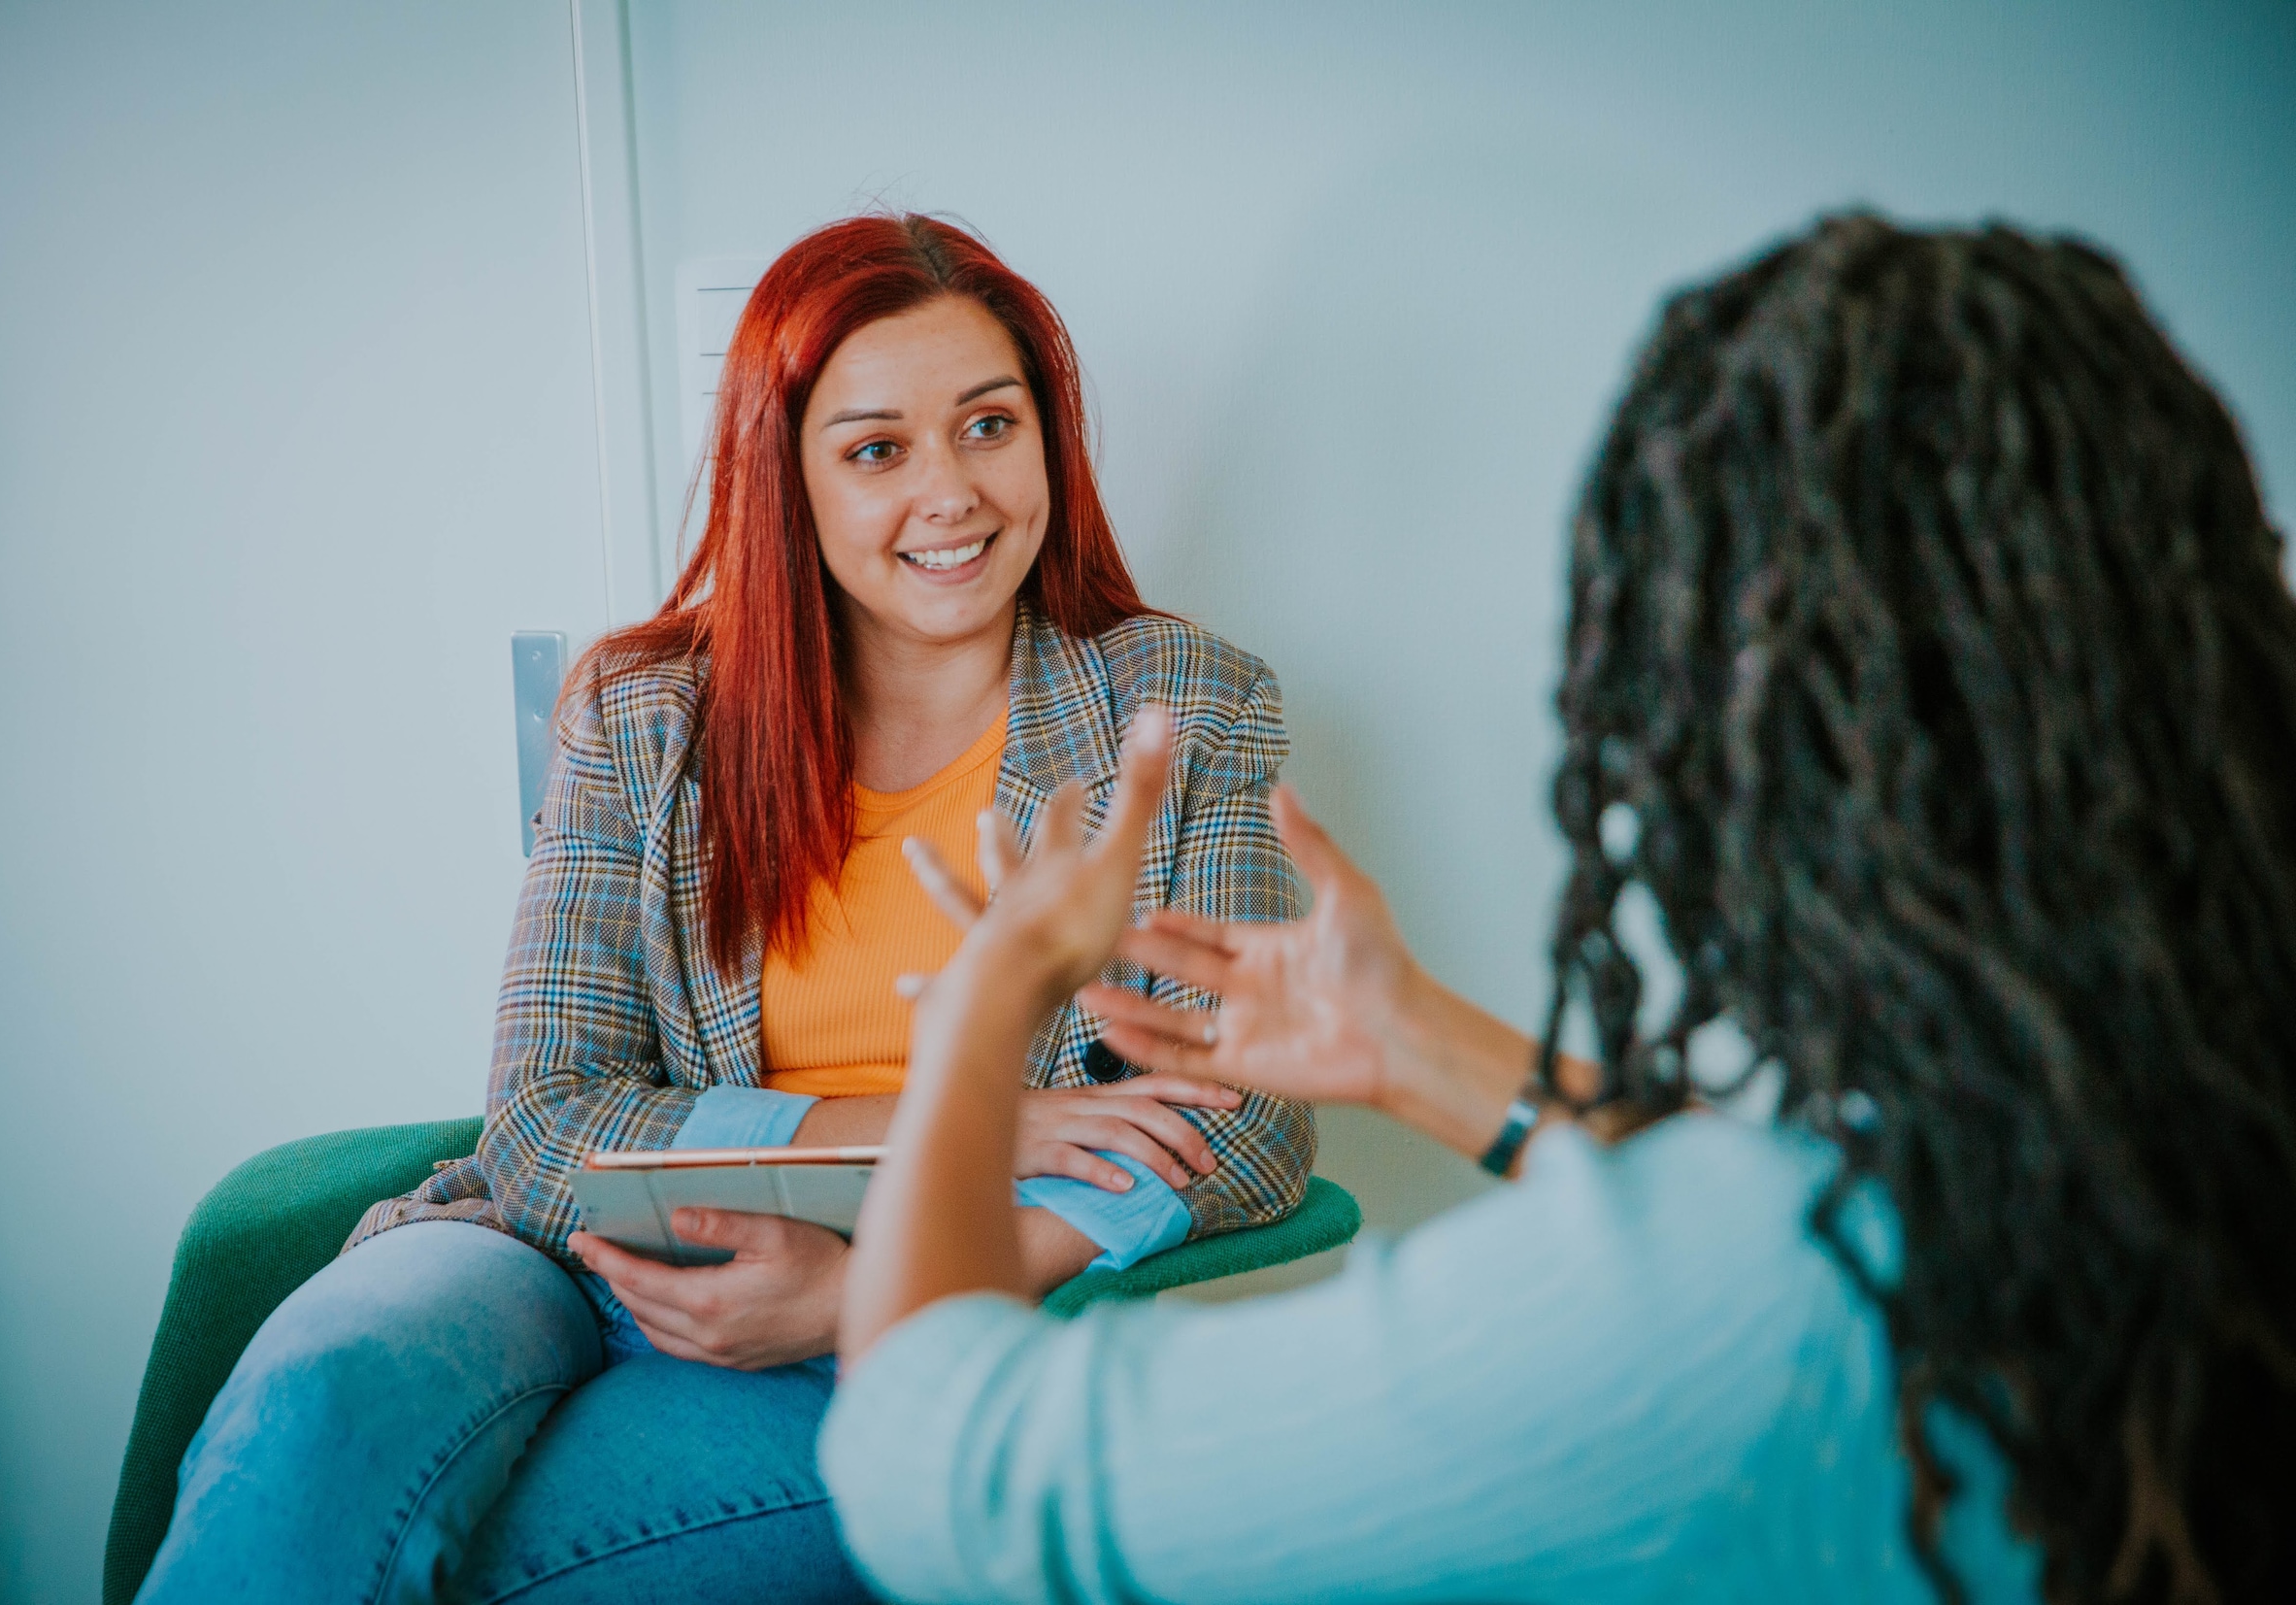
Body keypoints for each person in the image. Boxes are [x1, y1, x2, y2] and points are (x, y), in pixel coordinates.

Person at [821, 216, 2296, 1603]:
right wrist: (1420, 1048)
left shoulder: (1752, 1298)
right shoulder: (2165, 1147)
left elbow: (929, 1472)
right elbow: (1821, 1209)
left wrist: (984, 1002)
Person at [138, 214, 1314, 1604]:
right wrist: (970, 1118)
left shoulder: (1181, 708)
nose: (951, 492)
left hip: (896, 1324)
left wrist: (864, 1290)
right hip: (554, 1259)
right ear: (789, 479)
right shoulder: (644, 714)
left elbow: (1244, 1125)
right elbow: (544, 1119)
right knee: (316, 1413)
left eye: (989, 426)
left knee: (459, 1560)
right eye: (877, 448)